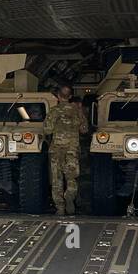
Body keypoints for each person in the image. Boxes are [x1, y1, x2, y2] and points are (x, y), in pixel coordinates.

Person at [44, 84, 88, 215]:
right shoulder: (77, 112)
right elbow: (84, 130)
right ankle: (70, 197)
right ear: (70, 96)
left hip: (56, 150)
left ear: (58, 96)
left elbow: (47, 130)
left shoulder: (54, 111)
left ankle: (60, 207)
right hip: (72, 150)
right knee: (71, 178)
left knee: (56, 180)